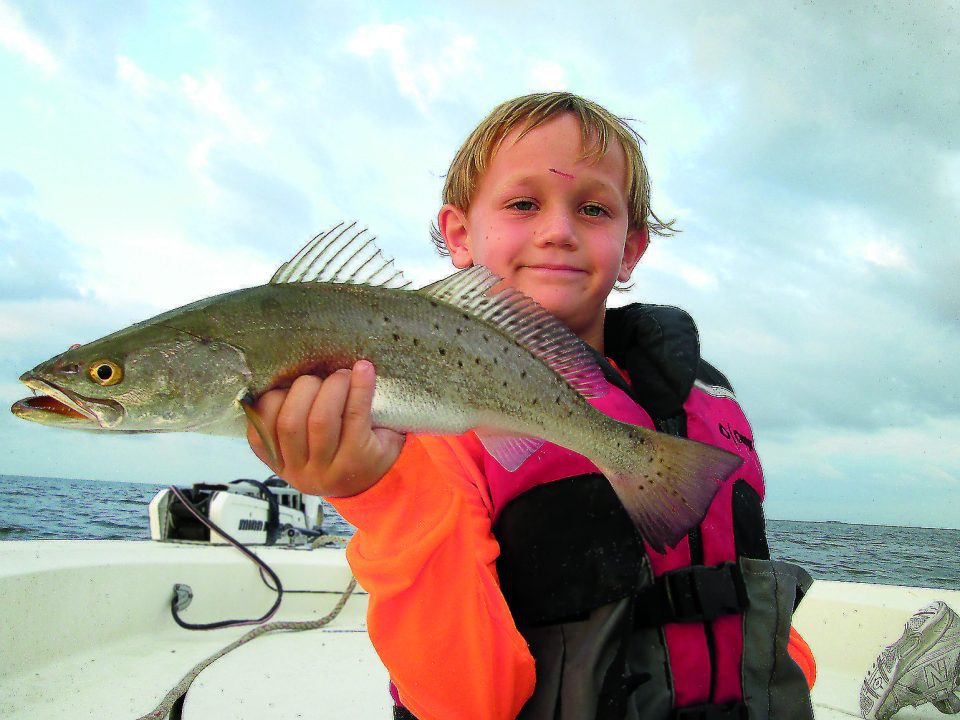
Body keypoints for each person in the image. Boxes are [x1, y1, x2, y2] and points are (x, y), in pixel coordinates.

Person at [247, 92, 817, 719]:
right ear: (460, 235)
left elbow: (751, 608)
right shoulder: (420, 438)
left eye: (594, 208)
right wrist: (380, 495)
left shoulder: (694, 396)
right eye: (523, 204)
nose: (557, 231)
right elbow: (468, 704)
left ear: (630, 249)